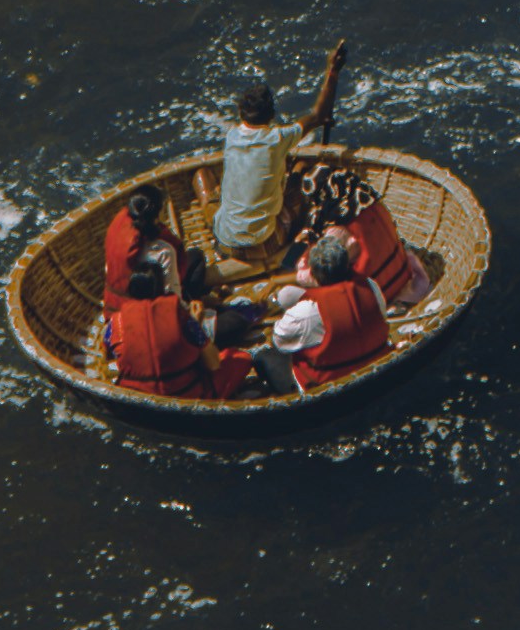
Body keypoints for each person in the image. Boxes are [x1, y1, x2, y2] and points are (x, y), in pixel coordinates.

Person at [206, 42, 346, 268]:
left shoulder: (231, 135)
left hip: (225, 239)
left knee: (203, 178)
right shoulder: (278, 138)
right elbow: (318, 114)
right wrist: (333, 70)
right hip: (264, 243)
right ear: (271, 115)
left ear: (241, 112)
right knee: (302, 173)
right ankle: (288, 248)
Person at [248, 229, 393, 396]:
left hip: (331, 386)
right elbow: (381, 315)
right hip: (377, 366)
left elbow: (280, 341)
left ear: (314, 275)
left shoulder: (307, 312)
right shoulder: (369, 285)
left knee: (264, 357)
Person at [104, 251, 252, 401]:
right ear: (161, 289)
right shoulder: (182, 317)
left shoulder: (116, 322)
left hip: (139, 399)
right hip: (185, 396)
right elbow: (213, 364)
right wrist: (196, 322)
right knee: (241, 358)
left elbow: (110, 352)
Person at [295, 163, 432, 307]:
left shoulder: (338, 232)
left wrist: (299, 273)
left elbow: (322, 272)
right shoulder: (369, 201)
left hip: (379, 294)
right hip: (403, 275)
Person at [102, 184, 206, 313]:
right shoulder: (163, 252)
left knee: (194, 256)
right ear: (157, 216)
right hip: (157, 312)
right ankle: (196, 300)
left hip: (119, 308)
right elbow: (173, 296)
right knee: (197, 256)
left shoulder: (118, 230)